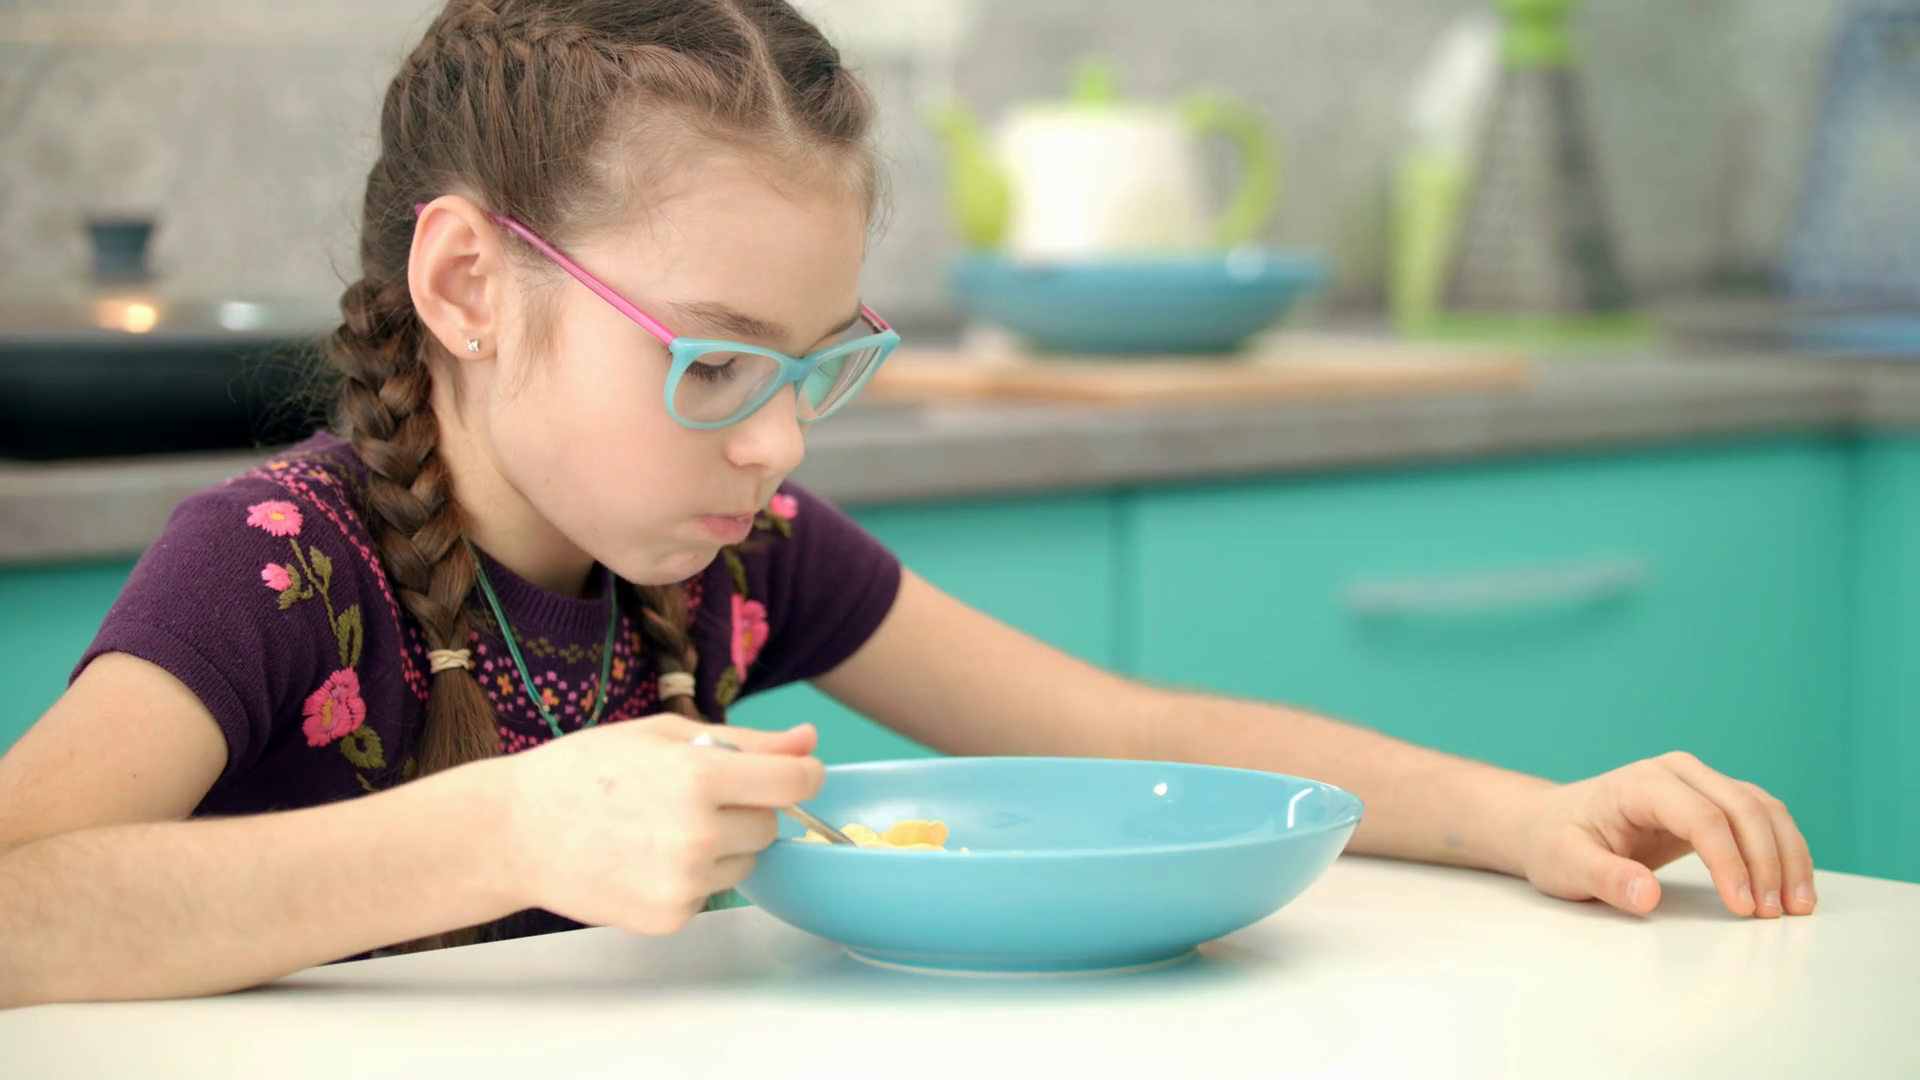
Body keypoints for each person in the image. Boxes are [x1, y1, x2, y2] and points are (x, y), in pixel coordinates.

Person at [0, 0, 1814, 1008]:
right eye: (714, 362)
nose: (779, 446)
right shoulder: (271, 569)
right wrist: (501, 836)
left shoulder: (732, 554)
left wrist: (1524, 814)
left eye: (815, 365)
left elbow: (1131, 726)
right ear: (470, 285)